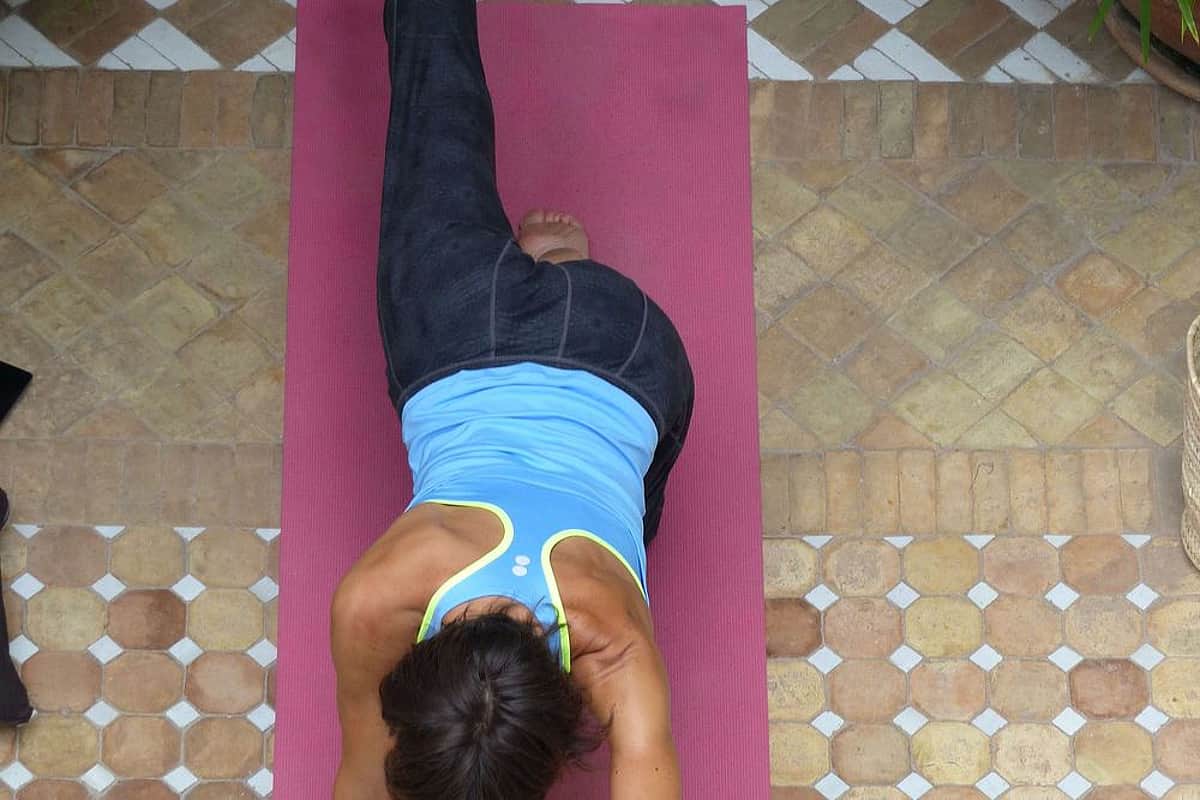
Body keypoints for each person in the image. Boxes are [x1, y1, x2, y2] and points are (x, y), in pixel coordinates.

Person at [329, 0, 695, 798]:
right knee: (433, 113)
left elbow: (362, 769)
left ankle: (563, 272)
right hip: (494, 331)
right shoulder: (378, 598)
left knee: (629, 499)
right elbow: (363, 772)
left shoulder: (618, 644)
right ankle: (557, 271)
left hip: (628, 354)